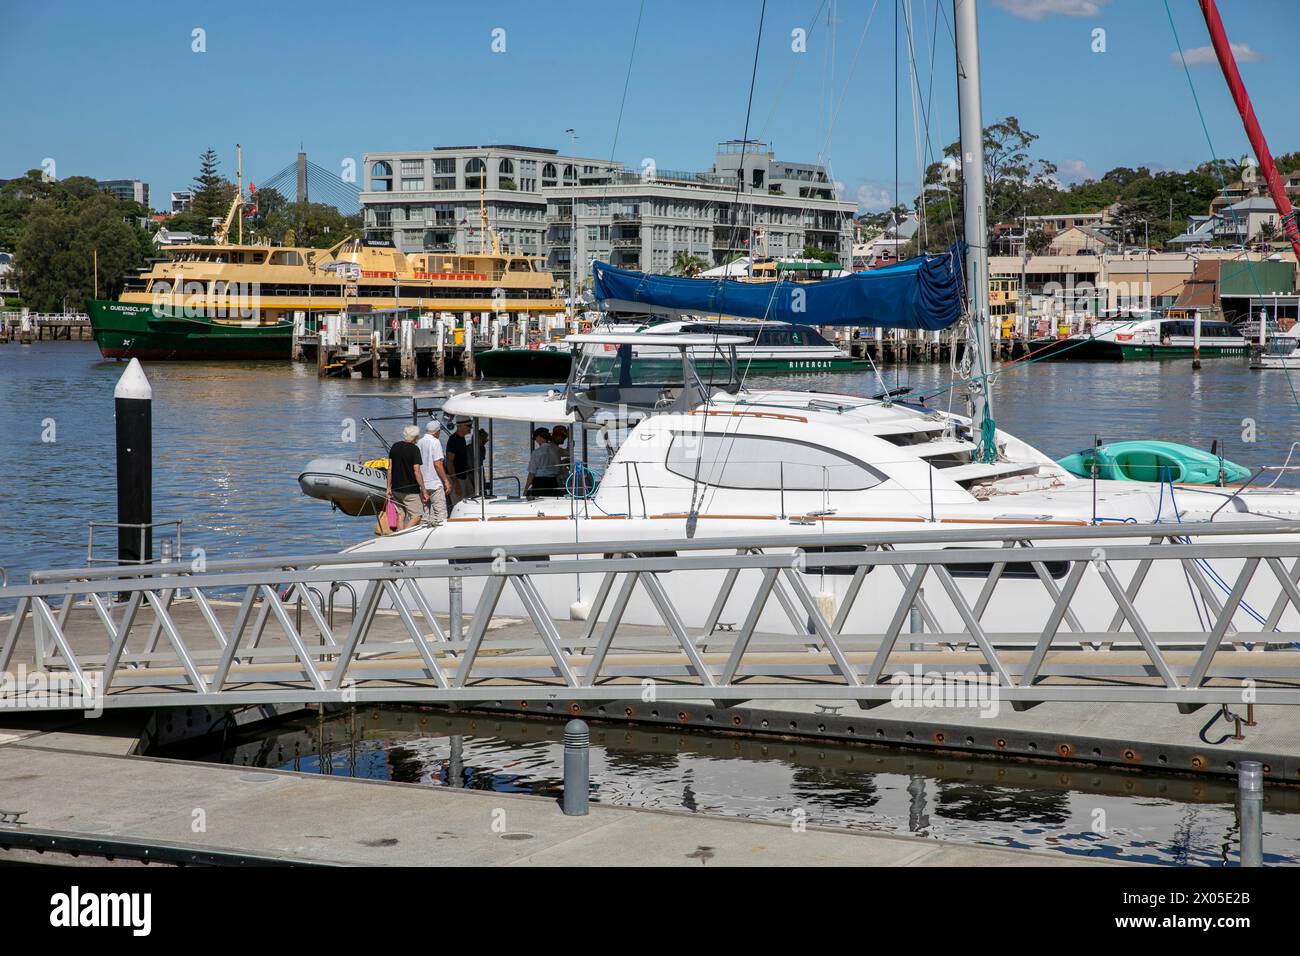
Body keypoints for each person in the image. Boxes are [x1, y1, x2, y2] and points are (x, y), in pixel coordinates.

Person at [386, 425, 427, 530]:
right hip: (410, 491)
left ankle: (399, 537)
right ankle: (403, 535)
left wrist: (388, 487)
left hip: (396, 488)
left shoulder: (395, 446)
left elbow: (389, 468)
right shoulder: (414, 449)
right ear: (415, 437)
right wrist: (424, 490)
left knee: (400, 515)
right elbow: (417, 471)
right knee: (417, 516)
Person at [417, 419, 452, 525]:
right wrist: (446, 481)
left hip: (423, 484)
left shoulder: (419, 442)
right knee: (440, 514)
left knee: (425, 515)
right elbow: (437, 464)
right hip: (435, 483)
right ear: (437, 432)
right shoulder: (435, 442)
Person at [525, 426, 562, 497]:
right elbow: (558, 469)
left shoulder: (536, 452)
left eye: (536, 438)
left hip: (540, 483)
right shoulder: (556, 451)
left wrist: (525, 490)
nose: (535, 440)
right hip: (553, 482)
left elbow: (532, 473)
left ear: (539, 437)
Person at [445, 418, 473, 502]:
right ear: (461, 426)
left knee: (472, 498)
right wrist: (455, 483)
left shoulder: (462, 439)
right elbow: (449, 462)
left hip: (464, 477)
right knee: (459, 504)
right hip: (457, 479)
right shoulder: (453, 440)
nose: (471, 428)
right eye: (469, 426)